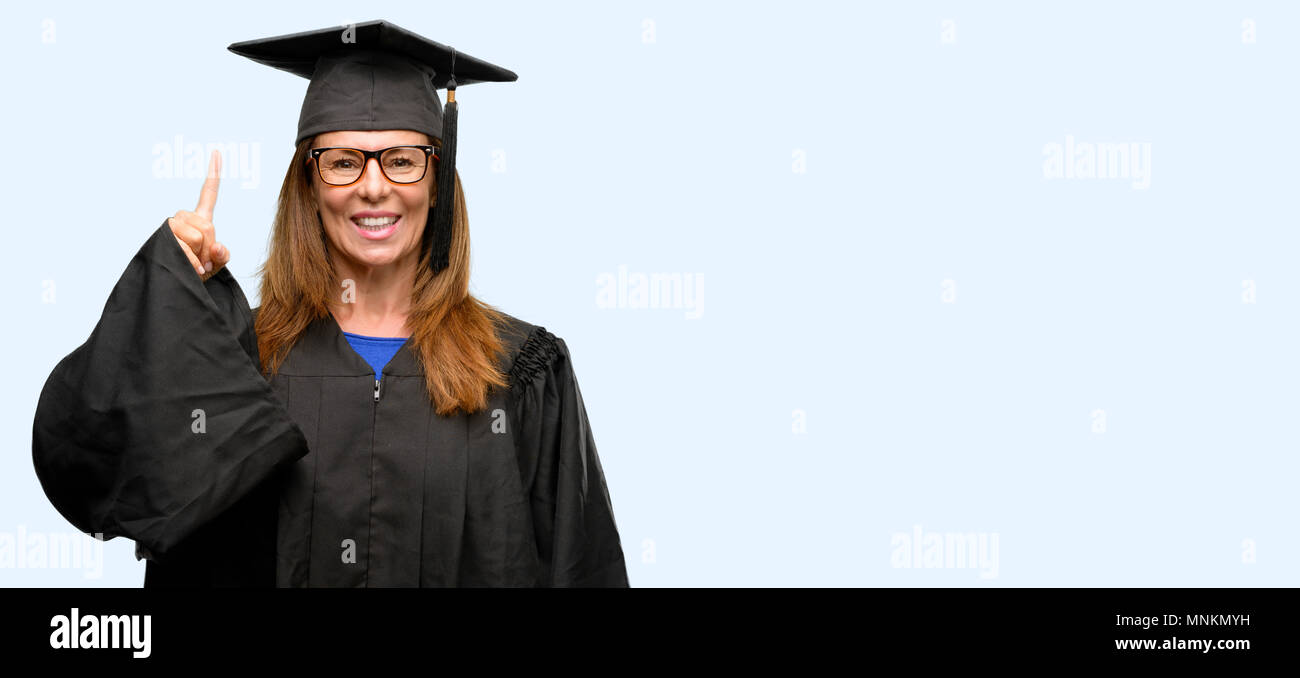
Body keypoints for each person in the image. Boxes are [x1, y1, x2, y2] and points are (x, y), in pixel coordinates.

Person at [30, 20, 629, 587]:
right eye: (343, 162)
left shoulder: (522, 373)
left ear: (437, 179)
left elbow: (583, 568)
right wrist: (169, 297)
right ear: (309, 185)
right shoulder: (239, 365)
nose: (374, 186)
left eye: (401, 160)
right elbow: (92, 471)